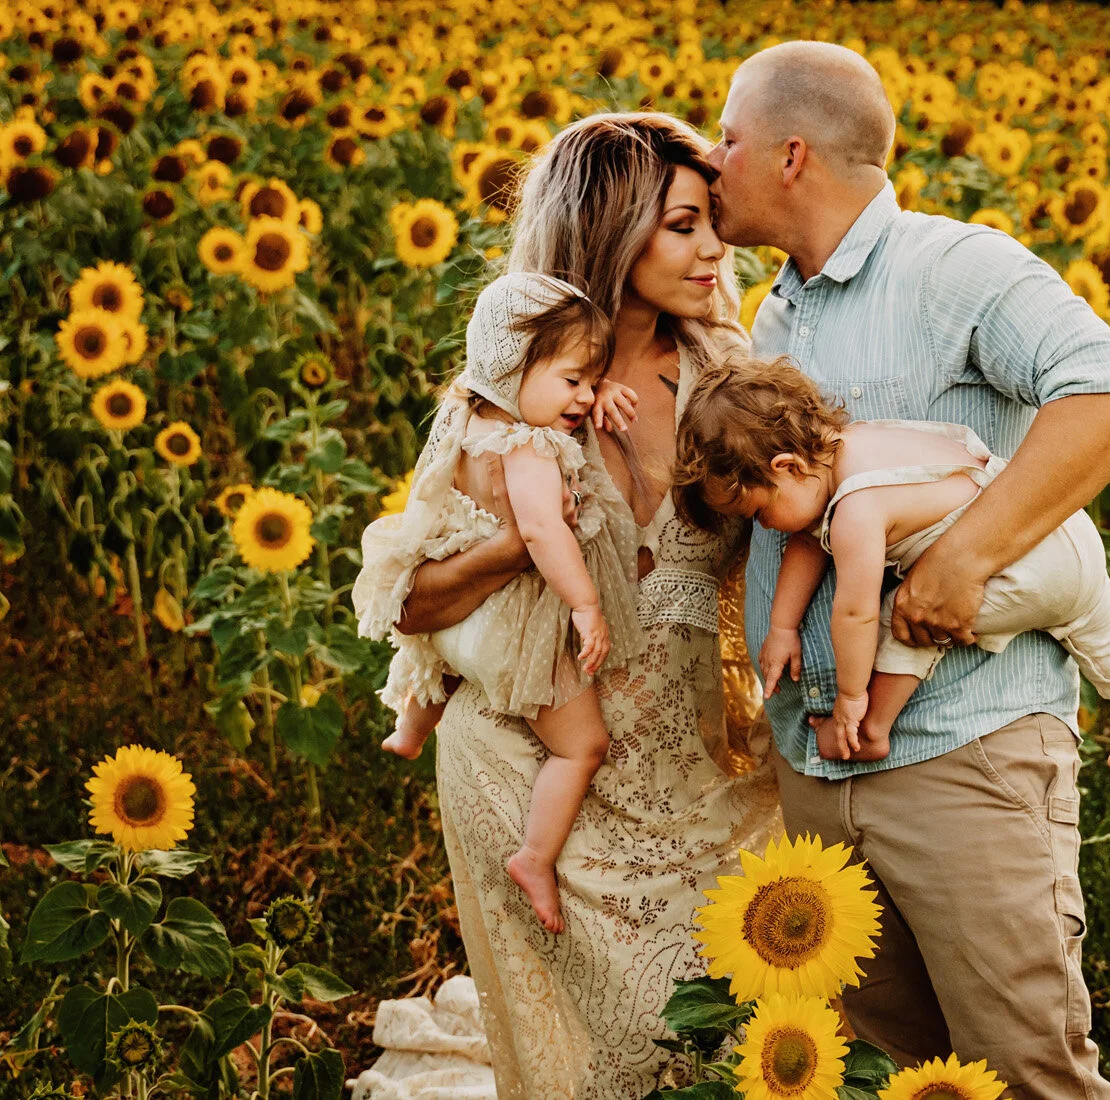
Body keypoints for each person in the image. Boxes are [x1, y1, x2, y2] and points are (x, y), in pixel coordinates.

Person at [709, 41, 1110, 1099]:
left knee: (1026, 1066)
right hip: (819, 769)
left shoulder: (956, 267)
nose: (709, 158)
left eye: (726, 138)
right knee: (897, 1075)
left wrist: (964, 556)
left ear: (790, 154)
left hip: (966, 753)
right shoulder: (772, 311)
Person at [359, 113, 780, 1098]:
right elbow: (409, 602)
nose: (716, 248)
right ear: (612, 229)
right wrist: (515, 544)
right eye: (683, 225)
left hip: (701, 771)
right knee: (590, 1064)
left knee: (719, 1042)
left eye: (711, 221)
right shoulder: (504, 399)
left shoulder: (729, 370)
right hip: (533, 760)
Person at [673, 356, 1110, 769]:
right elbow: (810, 539)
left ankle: (870, 732)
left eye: (758, 511)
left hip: (1020, 569)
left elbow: (854, 612)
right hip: (1062, 533)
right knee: (1100, 627)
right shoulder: (854, 446)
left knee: (907, 617)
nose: (762, 527)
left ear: (788, 467)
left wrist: (850, 697)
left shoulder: (856, 511)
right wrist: (783, 626)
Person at [354, 273, 648, 934]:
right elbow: (542, 530)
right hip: (509, 629)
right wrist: (584, 605)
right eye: (573, 380)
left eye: (591, 382)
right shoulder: (529, 446)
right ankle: (536, 857)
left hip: (456, 625)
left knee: (453, 661)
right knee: (582, 747)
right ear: (515, 366)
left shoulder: (467, 416)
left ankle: (410, 728)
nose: (583, 397)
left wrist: (588, 395)